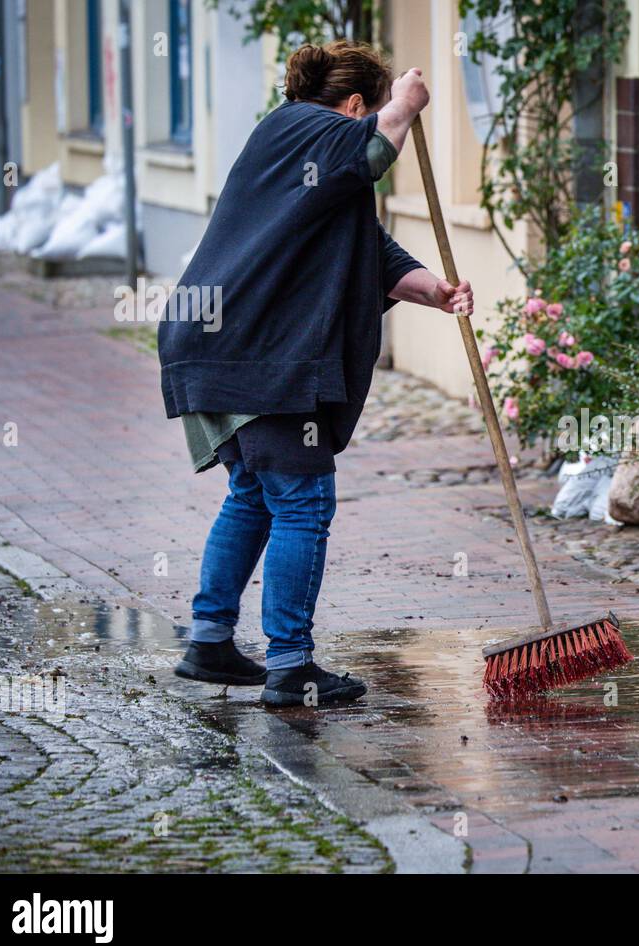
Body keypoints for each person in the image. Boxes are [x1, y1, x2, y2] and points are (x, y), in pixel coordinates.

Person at [158, 40, 472, 707]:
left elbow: (373, 253)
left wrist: (435, 290)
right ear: (355, 104)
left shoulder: (300, 157)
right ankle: (292, 665)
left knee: (253, 493)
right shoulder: (308, 129)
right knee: (303, 500)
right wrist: (408, 105)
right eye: (372, 108)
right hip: (258, 351)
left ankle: (210, 638)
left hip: (227, 343)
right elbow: (373, 146)